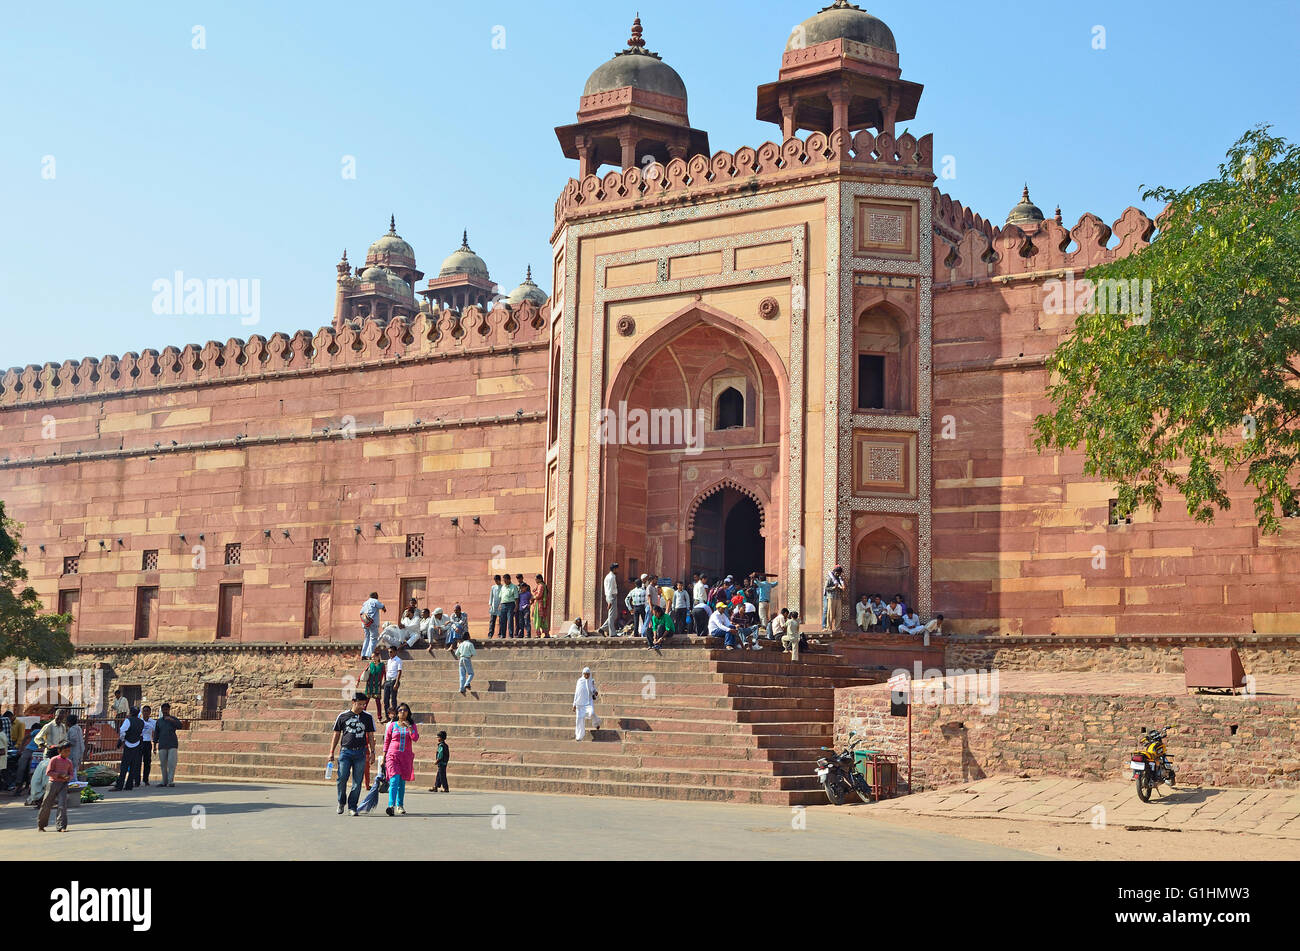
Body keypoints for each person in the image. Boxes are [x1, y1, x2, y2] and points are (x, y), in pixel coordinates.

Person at [329, 692, 376, 816]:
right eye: (360, 704)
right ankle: (341, 801)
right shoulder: (343, 716)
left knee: (357, 781)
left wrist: (373, 752)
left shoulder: (367, 717)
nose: (362, 707)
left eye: (364, 705)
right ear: (353, 702)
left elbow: (371, 735)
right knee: (341, 778)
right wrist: (331, 752)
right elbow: (336, 734)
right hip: (345, 751)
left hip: (360, 752)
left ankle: (353, 806)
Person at [383, 703, 419, 816]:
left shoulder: (412, 725)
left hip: (405, 757)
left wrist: (409, 727)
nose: (403, 712)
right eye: (400, 710)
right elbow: (387, 741)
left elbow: (415, 738)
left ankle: (400, 805)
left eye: (405, 710)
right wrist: (383, 756)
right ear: (397, 713)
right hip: (392, 756)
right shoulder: (392, 725)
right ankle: (391, 806)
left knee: (401, 782)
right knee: (394, 780)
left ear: (408, 713)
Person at [37, 742, 75, 833]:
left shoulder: (69, 762)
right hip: (53, 783)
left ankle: (61, 826)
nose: (67, 753)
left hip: (63, 785)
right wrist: (59, 775)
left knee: (62, 806)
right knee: (46, 804)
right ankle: (41, 825)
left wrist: (68, 777)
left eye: (69, 751)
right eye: (65, 751)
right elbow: (49, 772)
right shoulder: (54, 760)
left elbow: (71, 774)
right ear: (59, 751)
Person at [114, 706, 145, 791]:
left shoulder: (128, 720)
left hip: (128, 744)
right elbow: (141, 734)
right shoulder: (141, 722)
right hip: (137, 744)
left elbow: (122, 731)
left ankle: (119, 785)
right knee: (133, 766)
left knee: (124, 766)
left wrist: (121, 741)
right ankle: (129, 785)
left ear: (130, 712)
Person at [154, 703, 182, 786]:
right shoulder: (159, 721)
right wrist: (154, 746)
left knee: (171, 763)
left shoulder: (173, 719)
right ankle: (164, 781)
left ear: (169, 710)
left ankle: (170, 781)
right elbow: (156, 734)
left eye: (166, 709)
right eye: (163, 709)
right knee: (163, 764)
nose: (165, 711)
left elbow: (180, 726)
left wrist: (171, 720)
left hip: (172, 744)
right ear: (161, 710)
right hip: (162, 744)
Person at [573, 667, 601, 741]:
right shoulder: (579, 681)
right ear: (583, 674)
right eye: (585, 674)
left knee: (591, 713)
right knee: (579, 719)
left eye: (588, 674)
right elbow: (576, 693)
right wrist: (574, 704)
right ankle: (579, 736)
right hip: (579, 703)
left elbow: (592, 689)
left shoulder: (591, 681)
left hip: (588, 702)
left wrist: (595, 692)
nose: (586, 676)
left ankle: (596, 723)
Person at [360, 592, 386, 660]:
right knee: (373, 639)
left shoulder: (365, 603)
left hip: (365, 623)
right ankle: (368, 655)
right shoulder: (375, 601)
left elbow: (361, 613)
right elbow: (382, 606)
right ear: (375, 596)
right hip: (372, 623)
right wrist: (384, 609)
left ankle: (363, 654)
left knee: (367, 638)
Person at [383, 649, 403, 722]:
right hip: (388, 681)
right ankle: (387, 717)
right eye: (388, 652)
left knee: (393, 700)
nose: (389, 653)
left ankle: (394, 717)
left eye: (391, 652)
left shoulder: (398, 660)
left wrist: (396, 682)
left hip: (394, 680)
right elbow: (387, 671)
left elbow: (399, 672)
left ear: (395, 652)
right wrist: (384, 681)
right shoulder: (389, 661)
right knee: (385, 700)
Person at [363, 650, 385, 719]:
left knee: (378, 702)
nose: (373, 658)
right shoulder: (370, 664)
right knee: (366, 701)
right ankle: (362, 714)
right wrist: (358, 681)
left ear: (378, 657)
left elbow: (384, 674)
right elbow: (364, 672)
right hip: (369, 685)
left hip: (377, 685)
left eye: (374, 657)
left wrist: (384, 682)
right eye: (372, 657)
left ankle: (379, 717)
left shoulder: (382, 665)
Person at [599, 563, 619, 635]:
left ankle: (603, 628)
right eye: (617, 568)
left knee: (614, 615)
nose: (618, 570)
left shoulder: (611, 576)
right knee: (611, 616)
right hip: (611, 596)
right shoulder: (611, 577)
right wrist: (610, 600)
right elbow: (609, 589)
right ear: (614, 569)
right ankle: (612, 633)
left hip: (612, 596)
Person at [824, 566, 846, 632]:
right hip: (831, 597)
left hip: (838, 597)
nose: (838, 574)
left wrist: (842, 588)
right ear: (834, 572)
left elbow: (842, 587)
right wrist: (833, 587)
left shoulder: (839, 579)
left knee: (839, 613)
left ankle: (838, 628)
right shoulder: (830, 578)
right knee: (830, 613)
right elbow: (826, 588)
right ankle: (829, 628)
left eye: (839, 573)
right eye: (837, 573)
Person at [138, 705, 156, 785]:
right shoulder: (139, 721)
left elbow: (155, 734)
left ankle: (146, 779)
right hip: (139, 742)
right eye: (144, 711)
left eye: (147, 711)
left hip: (148, 742)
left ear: (150, 712)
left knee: (147, 762)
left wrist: (155, 745)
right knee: (137, 762)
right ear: (142, 712)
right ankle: (137, 779)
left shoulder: (153, 722)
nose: (145, 713)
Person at [499, 575, 520, 639]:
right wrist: (500, 605)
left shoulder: (514, 587)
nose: (504, 581)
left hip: (511, 605)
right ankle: (503, 635)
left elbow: (516, 598)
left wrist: (516, 606)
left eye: (505, 580)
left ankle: (510, 635)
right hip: (503, 604)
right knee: (502, 620)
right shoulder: (503, 587)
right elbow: (501, 596)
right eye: (504, 580)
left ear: (509, 579)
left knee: (510, 620)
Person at [66, 714, 84, 779]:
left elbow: (73, 741)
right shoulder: (78, 728)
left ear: (69, 722)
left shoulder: (72, 729)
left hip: (73, 752)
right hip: (79, 752)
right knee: (74, 769)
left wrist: (64, 743)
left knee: (72, 770)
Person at [532, 574, 550, 639]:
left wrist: (533, 597)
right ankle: (546, 633)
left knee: (537, 619)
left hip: (539, 605)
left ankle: (538, 634)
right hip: (542, 605)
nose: (535, 580)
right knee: (543, 620)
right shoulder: (542, 585)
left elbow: (539, 595)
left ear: (539, 579)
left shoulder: (541, 586)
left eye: (536, 579)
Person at [487, 574, 504, 639]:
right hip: (494, 606)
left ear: (500, 580)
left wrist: (501, 604)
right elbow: (491, 596)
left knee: (501, 621)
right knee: (492, 621)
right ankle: (490, 634)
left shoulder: (503, 587)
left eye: (497, 580)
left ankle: (500, 634)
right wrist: (490, 604)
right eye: (495, 581)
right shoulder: (493, 587)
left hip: (500, 605)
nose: (496, 582)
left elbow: (503, 597)